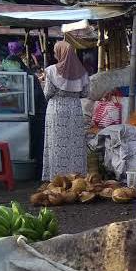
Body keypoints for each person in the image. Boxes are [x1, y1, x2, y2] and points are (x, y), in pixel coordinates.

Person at [41, 41, 90, 181]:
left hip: (56, 109)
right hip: (74, 109)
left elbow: (48, 92)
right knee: (75, 144)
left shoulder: (50, 71)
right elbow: (86, 93)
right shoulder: (82, 72)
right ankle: (77, 179)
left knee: (57, 144)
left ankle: (57, 179)